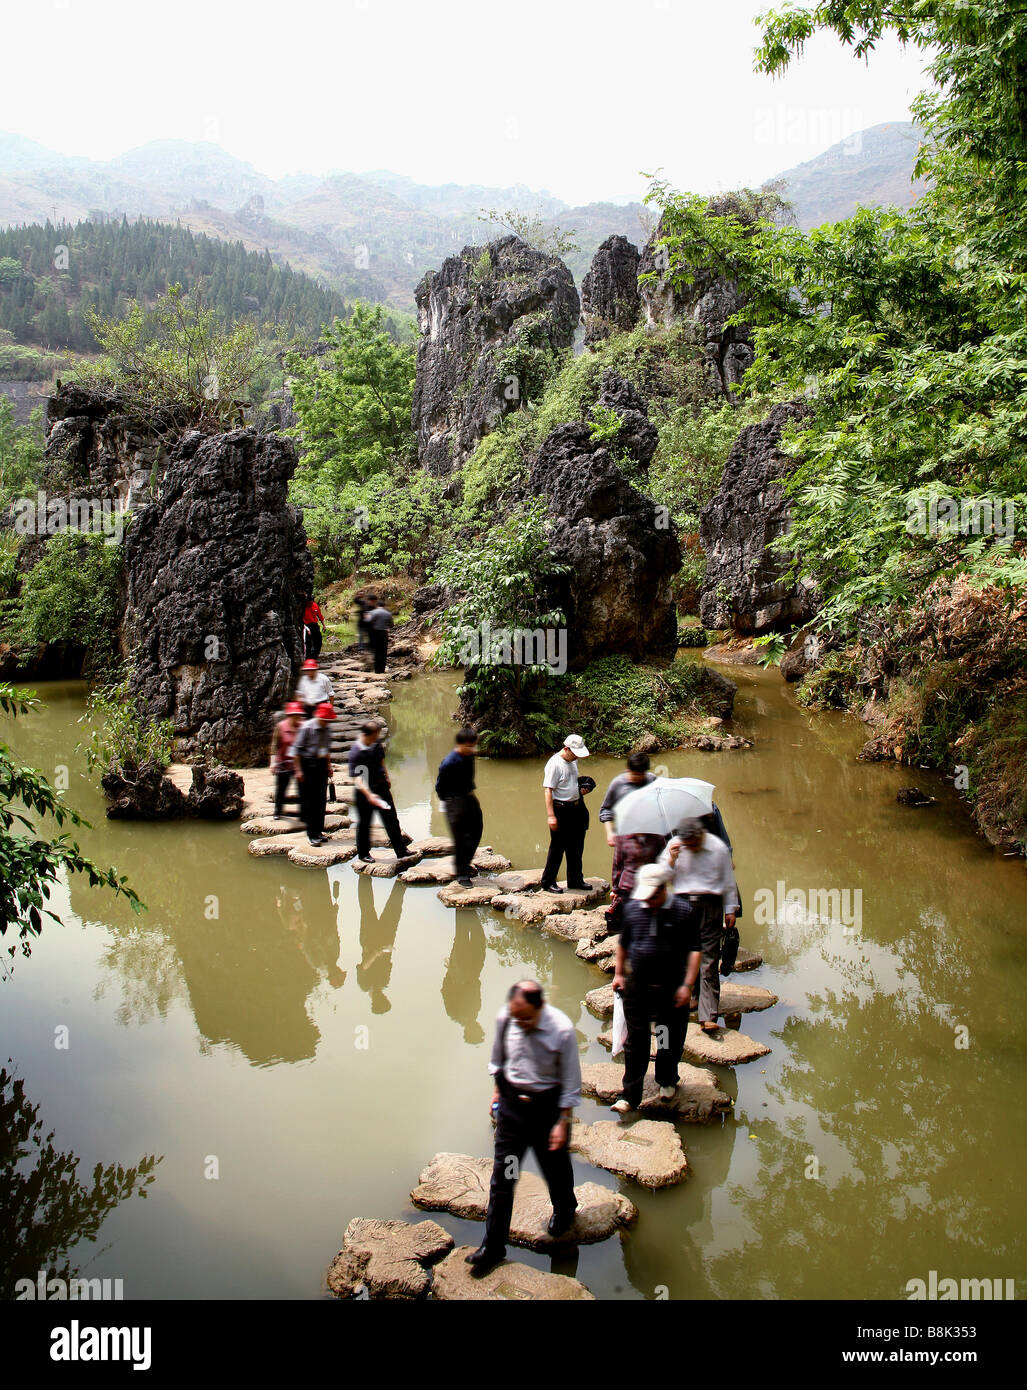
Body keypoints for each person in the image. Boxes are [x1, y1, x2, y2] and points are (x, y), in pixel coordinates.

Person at [466, 980, 581, 1276]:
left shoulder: (562, 1030)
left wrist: (562, 1121)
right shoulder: (507, 1018)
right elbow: (498, 1061)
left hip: (548, 1108)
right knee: (504, 1178)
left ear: (540, 1006)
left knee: (554, 1167)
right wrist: (496, 1096)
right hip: (513, 1108)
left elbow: (570, 1081)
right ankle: (493, 1247)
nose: (522, 1023)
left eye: (527, 1018)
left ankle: (565, 1210)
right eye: (519, 1019)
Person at [610, 863, 702, 1113]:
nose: (648, 901)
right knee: (636, 1042)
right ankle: (630, 1096)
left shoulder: (685, 911)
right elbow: (624, 942)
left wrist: (688, 985)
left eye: (652, 896)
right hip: (638, 987)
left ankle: (667, 1079)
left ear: (662, 890)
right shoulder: (633, 908)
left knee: (667, 1038)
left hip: (671, 989)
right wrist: (619, 973)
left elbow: (695, 950)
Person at [658, 817, 738, 1034]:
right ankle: (692, 996)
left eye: (694, 841)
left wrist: (730, 908)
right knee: (684, 954)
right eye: (688, 842)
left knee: (709, 957)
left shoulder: (717, 848)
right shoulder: (675, 844)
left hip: (710, 904)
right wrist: (671, 859)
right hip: (682, 903)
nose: (691, 846)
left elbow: (728, 880)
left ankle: (709, 1013)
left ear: (701, 835)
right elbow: (661, 876)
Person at [599, 752, 658, 924]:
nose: (638, 778)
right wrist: (610, 833)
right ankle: (622, 902)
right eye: (635, 774)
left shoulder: (653, 781)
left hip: (651, 835)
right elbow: (606, 810)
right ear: (628, 770)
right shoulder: (619, 784)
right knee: (624, 870)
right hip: (626, 835)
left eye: (641, 775)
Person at [347, 721, 415, 865]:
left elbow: (381, 760)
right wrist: (369, 795)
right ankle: (363, 854)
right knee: (365, 823)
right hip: (364, 793)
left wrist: (387, 776)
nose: (377, 738)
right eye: (375, 735)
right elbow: (359, 779)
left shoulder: (375, 743)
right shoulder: (357, 752)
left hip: (381, 786)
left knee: (391, 819)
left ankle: (401, 850)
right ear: (366, 735)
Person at [541, 734, 591, 892]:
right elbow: (548, 790)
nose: (577, 756)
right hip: (561, 809)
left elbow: (571, 781)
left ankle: (575, 879)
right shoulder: (554, 764)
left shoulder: (573, 760)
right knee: (557, 847)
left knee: (577, 845)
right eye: (575, 753)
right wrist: (551, 816)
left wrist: (582, 789)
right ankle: (548, 882)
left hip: (576, 807)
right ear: (566, 749)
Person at [436, 727, 483, 888]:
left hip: (469, 796)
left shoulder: (469, 756)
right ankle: (461, 874)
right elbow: (439, 786)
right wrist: (448, 802)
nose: (472, 749)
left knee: (477, 831)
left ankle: (465, 863)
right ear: (459, 744)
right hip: (454, 801)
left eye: (473, 745)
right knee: (460, 838)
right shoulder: (449, 762)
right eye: (469, 746)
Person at [291, 702, 336, 846]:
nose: (326, 722)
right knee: (310, 802)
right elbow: (296, 751)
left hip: (321, 765)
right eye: (324, 719)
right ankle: (311, 835)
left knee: (321, 800)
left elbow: (326, 749)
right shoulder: (307, 728)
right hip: (307, 765)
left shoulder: (327, 729)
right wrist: (298, 770)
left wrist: (329, 766)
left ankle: (318, 831)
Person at [269, 701, 304, 819]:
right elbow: (274, 746)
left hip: (298, 764)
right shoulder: (281, 727)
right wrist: (273, 763)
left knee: (302, 789)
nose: (297, 717)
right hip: (283, 763)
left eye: (298, 715)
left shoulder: (302, 727)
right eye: (295, 715)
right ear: (290, 715)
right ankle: (277, 812)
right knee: (281, 788)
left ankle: (303, 813)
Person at [364, 598, 393, 674]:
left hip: (375, 633)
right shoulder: (388, 613)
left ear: (377, 605)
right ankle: (382, 669)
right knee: (383, 652)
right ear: (384, 606)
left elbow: (368, 621)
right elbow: (391, 625)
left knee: (377, 651)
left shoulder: (373, 612)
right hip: (384, 633)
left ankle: (377, 670)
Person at [303, 595, 326, 660]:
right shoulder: (303, 607)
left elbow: (320, 616)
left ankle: (315, 656)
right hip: (306, 625)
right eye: (309, 602)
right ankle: (308, 657)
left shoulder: (315, 605)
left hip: (314, 625)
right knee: (308, 642)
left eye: (311, 602)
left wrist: (324, 625)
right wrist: (306, 628)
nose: (310, 603)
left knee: (318, 641)